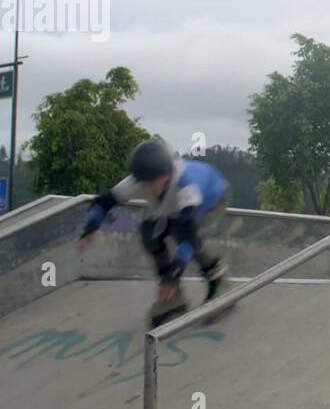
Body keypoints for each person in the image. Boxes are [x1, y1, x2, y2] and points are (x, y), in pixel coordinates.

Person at [78, 139, 231, 325]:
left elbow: (188, 238)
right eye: (143, 183)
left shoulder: (187, 187)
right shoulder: (139, 179)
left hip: (212, 197)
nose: (147, 189)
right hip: (175, 207)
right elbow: (103, 203)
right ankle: (174, 298)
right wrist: (91, 227)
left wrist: (172, 278)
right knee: (149, 232)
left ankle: (219, 280)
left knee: (185, 234)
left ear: (168, 174)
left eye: (152, 183)